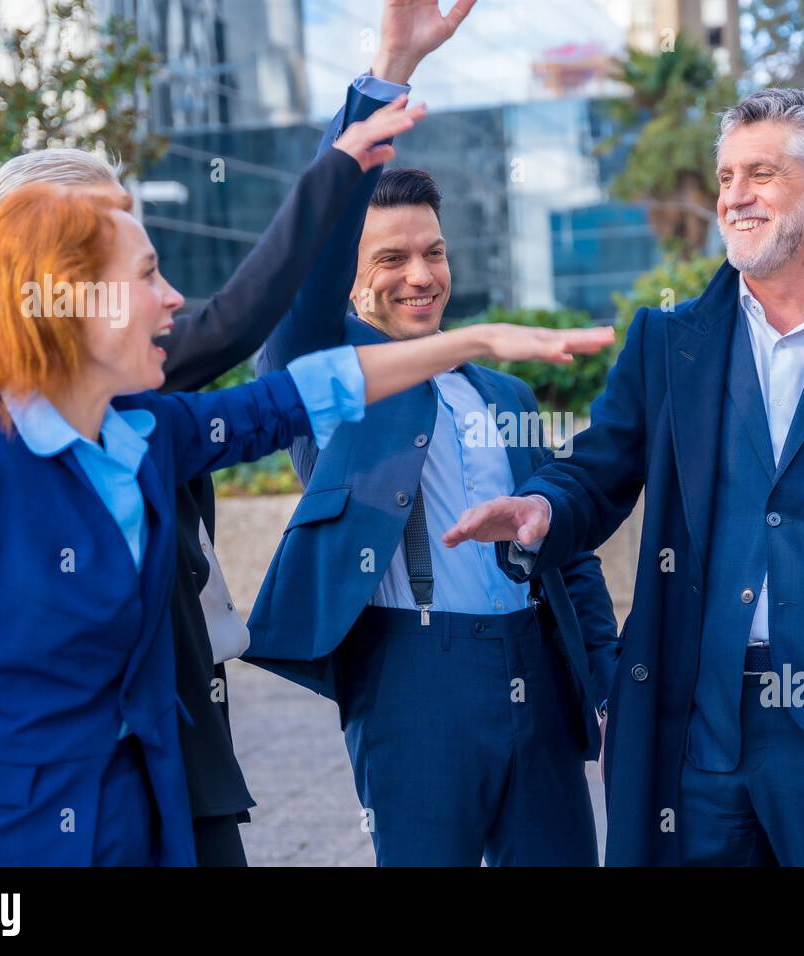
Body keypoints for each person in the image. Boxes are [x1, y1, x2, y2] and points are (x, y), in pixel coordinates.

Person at [0, 0, 473, 867]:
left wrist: (473, 345)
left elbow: (297, 391)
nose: (163, 293)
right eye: (113, 250)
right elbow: (245, 314)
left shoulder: (142, 403)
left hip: (180, 752)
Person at [0, 177, 613, 866]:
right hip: (13, 850)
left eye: (433, 253)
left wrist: (476, 342)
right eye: (148, 275)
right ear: (74, 300)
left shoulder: (147, 435)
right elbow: (279, 342)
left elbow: (288, 402)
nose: (174, 298)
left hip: (153, 819)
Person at [443, 83, 804, 865]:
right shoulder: (668, 342)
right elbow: (598, 469)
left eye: (760, 174)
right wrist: (541, 508)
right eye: (727, 177)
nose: (734, 197)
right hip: (698, 724)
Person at [244, 52, 619, 867]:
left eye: (434, 253)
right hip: (411, 677)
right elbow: (299, 269)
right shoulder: (326, 379)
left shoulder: (509, 396)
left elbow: (570, 551)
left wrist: (608, 679)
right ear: (347, 283)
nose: (420, 276)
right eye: (390, 259)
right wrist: (383, 82)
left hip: (536, 669)